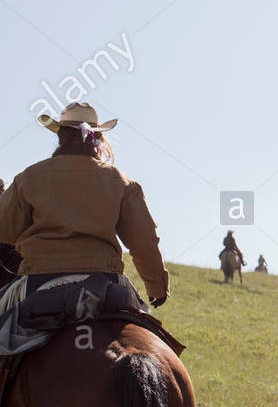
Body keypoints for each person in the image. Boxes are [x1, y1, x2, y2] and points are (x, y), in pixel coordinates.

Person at [0, 102, 168, 308]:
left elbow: (3, 230)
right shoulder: (121, 181)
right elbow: (144, 242)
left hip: (38, 278)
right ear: (97, 138)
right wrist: (157, 288)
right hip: (105, 280)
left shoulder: (28, 177)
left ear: (60, 136)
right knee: (147, 325)